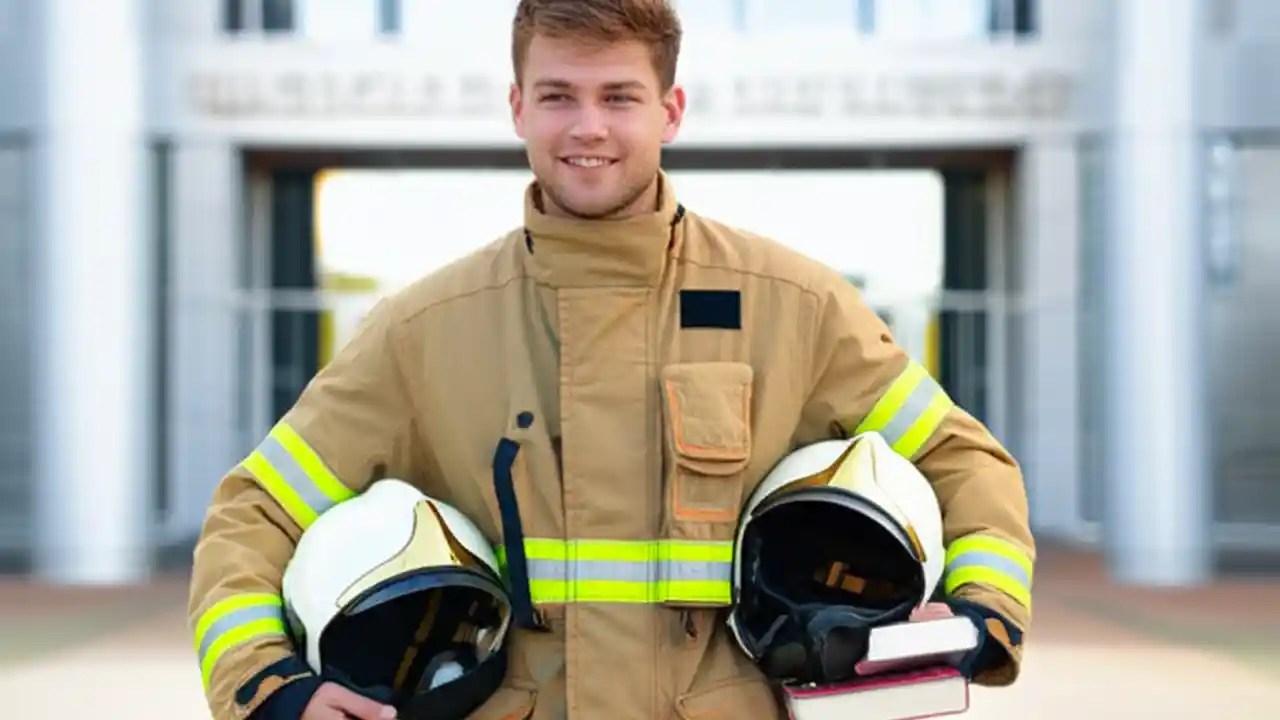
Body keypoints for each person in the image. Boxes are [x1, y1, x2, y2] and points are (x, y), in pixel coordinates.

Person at [186, 0, 1036, 718]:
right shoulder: (423, 333)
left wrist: (981, 609)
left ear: (670, 111)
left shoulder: (795, 307)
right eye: (559, 96)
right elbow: (253, 513)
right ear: (517, 107)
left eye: (618, 97)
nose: (588, 127)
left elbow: (960, 460)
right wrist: (269, 683)